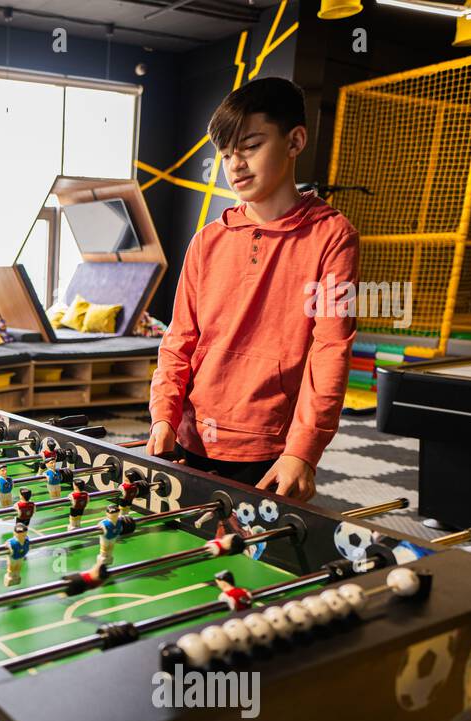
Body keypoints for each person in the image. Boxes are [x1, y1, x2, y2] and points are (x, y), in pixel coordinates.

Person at [146, 77, 359, 502]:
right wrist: (163, 416)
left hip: (268, 449)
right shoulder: (207, 240)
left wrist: (305, 449)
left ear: (295, 140)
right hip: (189, 436)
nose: (235, 165)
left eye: (251, 146)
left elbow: (330, 349)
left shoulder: (334, 237)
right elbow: (179, 339)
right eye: (226, 153)